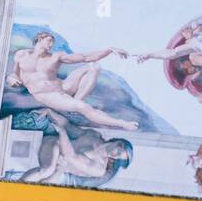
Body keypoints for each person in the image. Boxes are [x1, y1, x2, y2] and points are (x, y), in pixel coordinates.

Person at [7, 32, 138, 130]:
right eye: (49, 40)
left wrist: (109, 50)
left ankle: (76, 101)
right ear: (40, 39)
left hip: (63, 87)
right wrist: (12, 79)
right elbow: (15, 74)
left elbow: (85, 57)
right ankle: (122, 123)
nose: (52, 44)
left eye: (53, 42)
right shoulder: (22, 55)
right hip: (48, 95)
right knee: (84, 107)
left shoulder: (56, 57)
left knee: (93, 67)